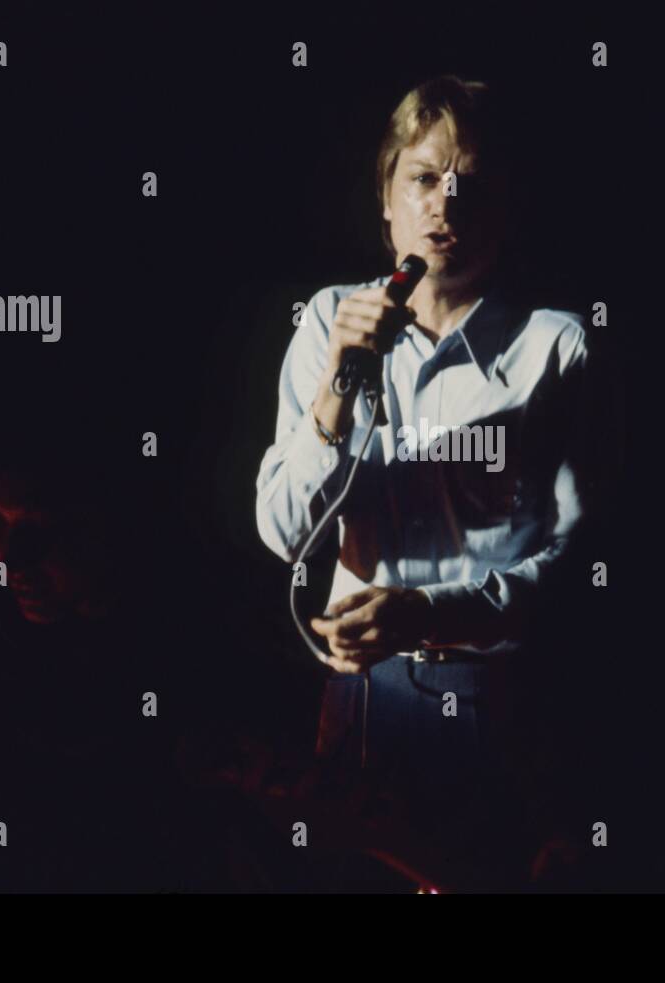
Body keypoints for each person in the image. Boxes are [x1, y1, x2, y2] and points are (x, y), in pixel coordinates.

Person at [254, 76, 599, 881]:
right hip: (359, 700)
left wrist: (428, 614)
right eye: (424, 177)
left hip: (498, 702)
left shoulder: (557, 348)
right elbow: (279, 533)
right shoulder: (327, 322)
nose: (447, 200)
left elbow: (584, 569)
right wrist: (339, 383)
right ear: (386, 199)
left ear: (505, 209)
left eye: (470, 182)